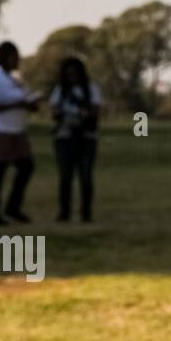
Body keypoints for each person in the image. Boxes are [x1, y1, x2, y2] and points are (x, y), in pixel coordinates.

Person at [0, 41, 39, 225]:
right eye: (14, 56)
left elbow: (27, 100)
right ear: (4, 58)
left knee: (26, 167)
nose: (17, 60)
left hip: (15, 132)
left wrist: (31, 103)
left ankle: (13, 207)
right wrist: (18, 104)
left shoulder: (15, 81)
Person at [48, 56, 101, 222]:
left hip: (86, 138)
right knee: (65, 177)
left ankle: (86, 212)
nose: (72, 77)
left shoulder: (91, 89)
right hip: (65, 137)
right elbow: (55, 112)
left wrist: (82, 115)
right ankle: (65, 212)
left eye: (75, 73)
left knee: (85, 176)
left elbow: (95, 111)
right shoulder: (60, 91)